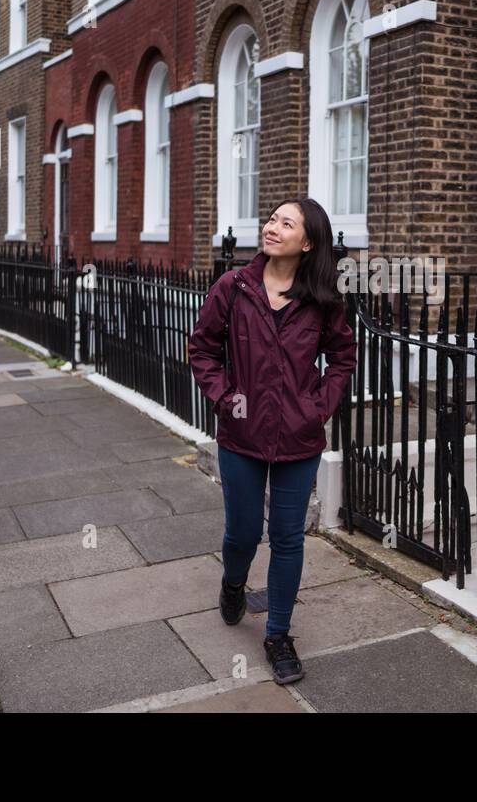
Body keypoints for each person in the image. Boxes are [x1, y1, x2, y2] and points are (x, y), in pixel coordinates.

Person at [188, 197, 357, 684]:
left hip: (298, 439)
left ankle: (278, 634)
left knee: (287, 537)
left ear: (306, 243)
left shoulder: (323, 299)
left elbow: (343, 356)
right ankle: (234, 582)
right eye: (271, 219)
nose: (271, 227)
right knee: (243, 532)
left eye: (286, 223)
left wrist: (318, 405)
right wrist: (225, 398)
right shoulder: (234, 287)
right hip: (241, 434)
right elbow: (202, 348)